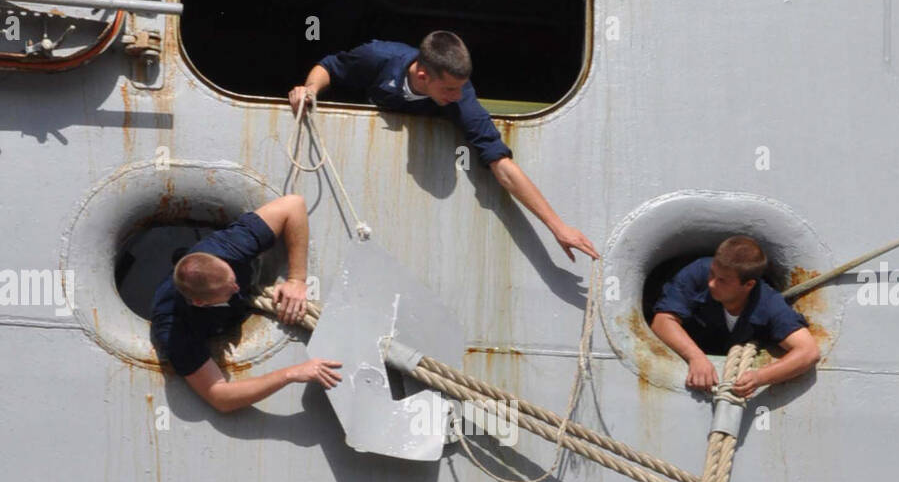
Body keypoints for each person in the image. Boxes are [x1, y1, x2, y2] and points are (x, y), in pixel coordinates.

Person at [289, 30, 598, 263]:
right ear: (422, 75)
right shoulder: (378, 57)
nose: (456, 94)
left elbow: (501, 165)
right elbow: (331, 65)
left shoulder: (460, 97)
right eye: (449, 88)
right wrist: (310, 88)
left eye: (460, 87)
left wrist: (557, 226)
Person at [149, 193, 341, 413]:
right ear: (200, 302)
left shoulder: (227, 248)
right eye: (228, 290)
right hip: (209, 325)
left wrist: (296, 279)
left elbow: (293, 204)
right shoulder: (174, 327)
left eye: (233, 279)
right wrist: (291, 374)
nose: (237, 288)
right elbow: (220, 397)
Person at [650, 235, 820, 397]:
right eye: (712, 274)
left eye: (722, 280)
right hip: (698, 347)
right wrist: (695, 356)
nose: (711, 283)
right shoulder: (698, 272)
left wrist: (759, 377)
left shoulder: (769, 304)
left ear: (748, 285)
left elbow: (808, 352)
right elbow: (662, 321)